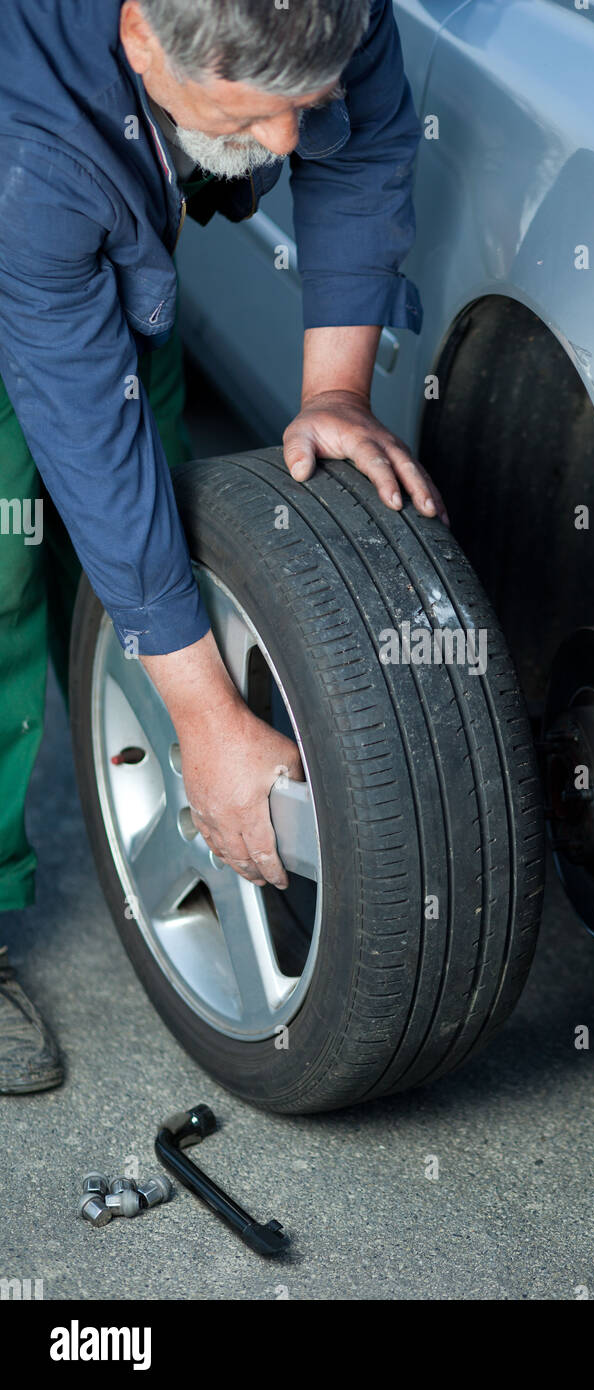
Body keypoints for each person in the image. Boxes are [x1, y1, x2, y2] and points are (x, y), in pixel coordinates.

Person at [0, 0, 447, 1093]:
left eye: (305, 104)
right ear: (143, 34)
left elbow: (365, 141)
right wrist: (205, 715)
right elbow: (81, 421)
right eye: (256, 115)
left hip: (95, 221)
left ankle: (173, 744)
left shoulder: (325, 9)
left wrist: (335, 391)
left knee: (152, 536)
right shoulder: (31, 146)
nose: (292, 143)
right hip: (26, 228)